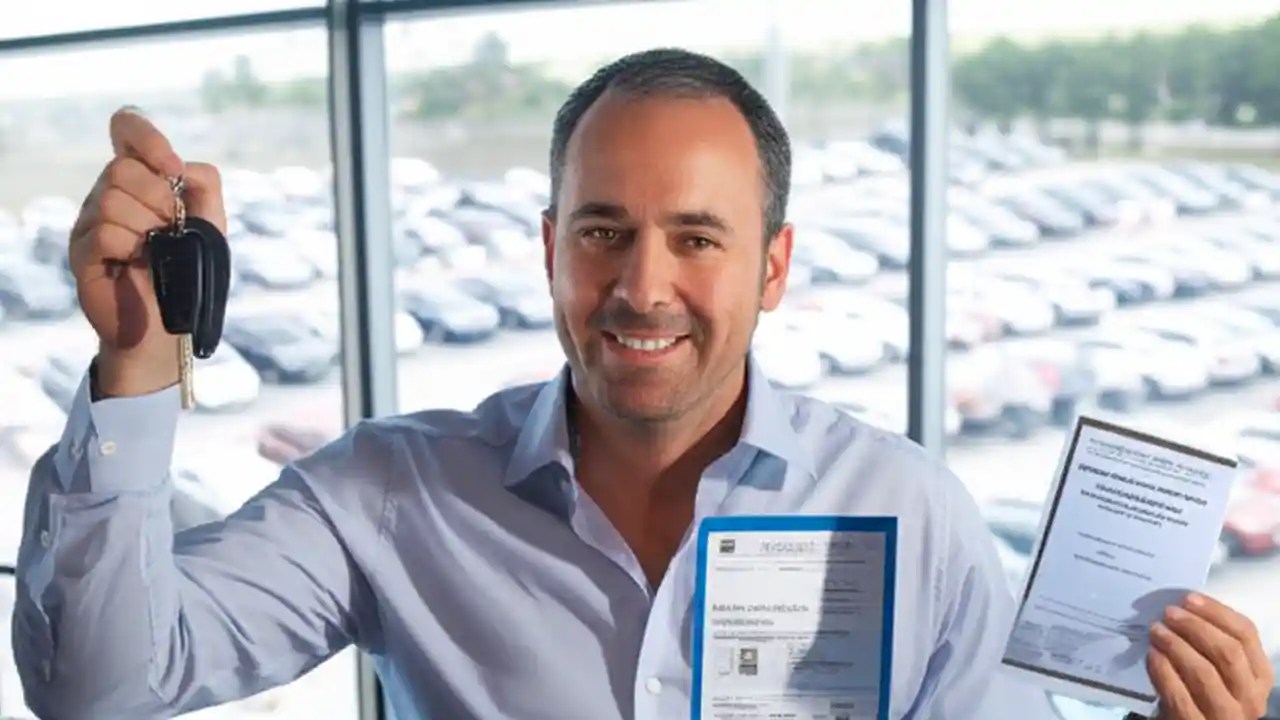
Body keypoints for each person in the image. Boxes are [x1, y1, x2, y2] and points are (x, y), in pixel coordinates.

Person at [11, 48, 1273, 720]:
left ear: (772, 267)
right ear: (548, 251)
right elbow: (98, 687)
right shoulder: (389, 492)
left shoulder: (911, 509)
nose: (641, 286)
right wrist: (136, 365)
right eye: (602, 231)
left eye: (696, 237)